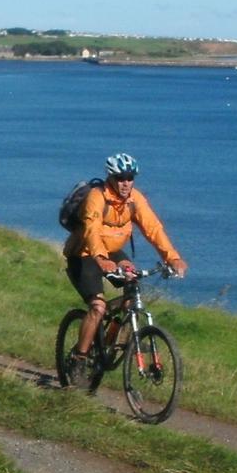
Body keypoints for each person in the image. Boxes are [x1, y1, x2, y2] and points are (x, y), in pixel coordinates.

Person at [62, 151, 186, 382]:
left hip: (112, 252)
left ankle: (108, 344)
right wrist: (100, 258)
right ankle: (79, 358)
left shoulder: (134, 199)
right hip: (84, 253)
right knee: (98, 306)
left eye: (130, 177)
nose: (126, 183)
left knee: (132, 292)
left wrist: (172, 257)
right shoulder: (97, 198)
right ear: (110, 178)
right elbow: (90, 230)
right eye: (121, 178)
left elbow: (153, 228)